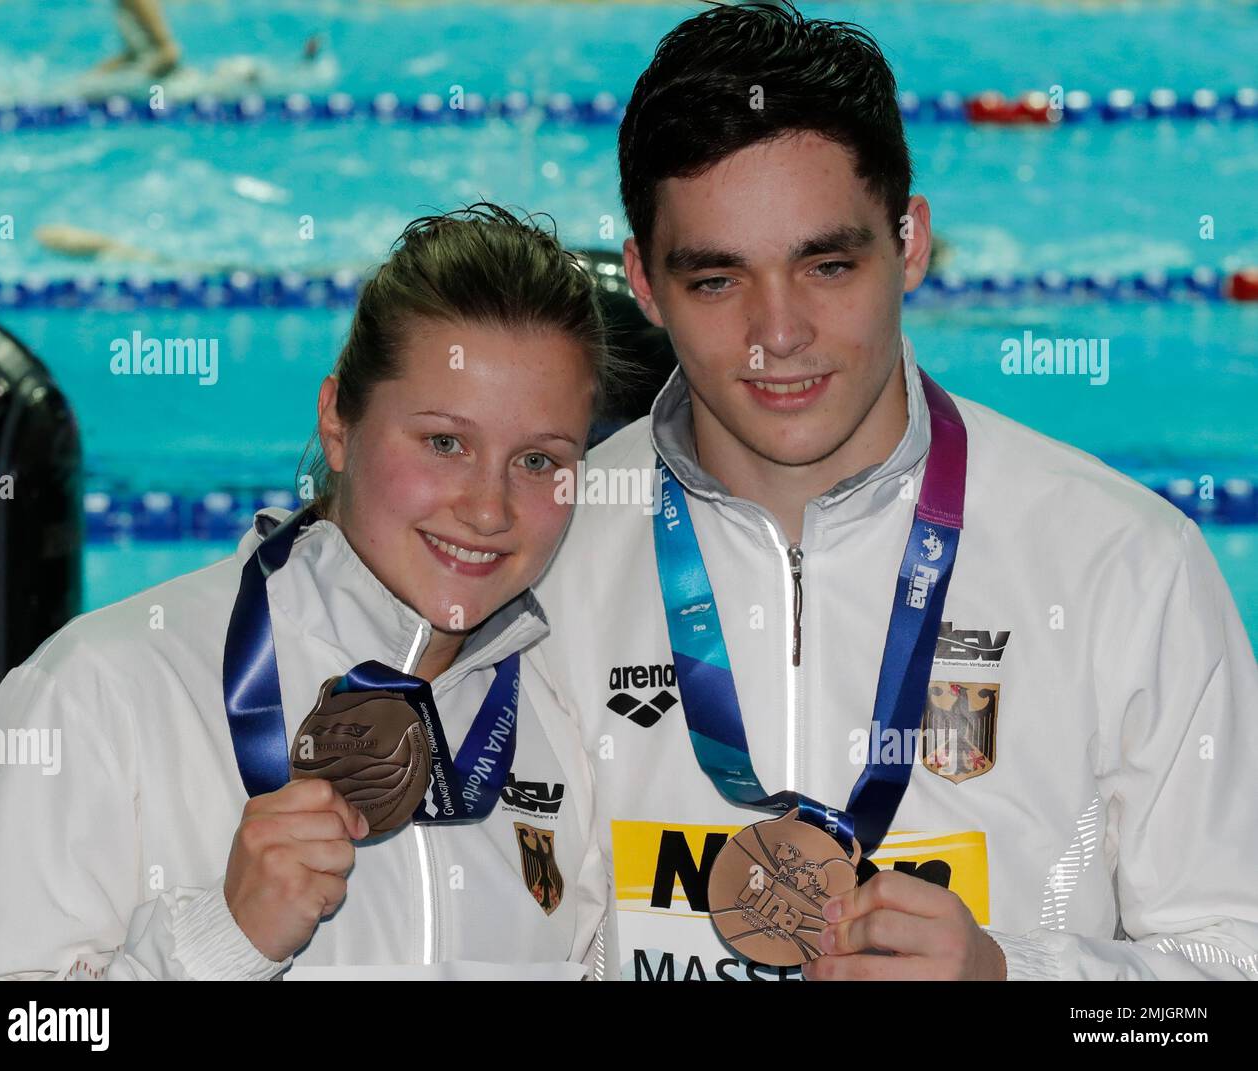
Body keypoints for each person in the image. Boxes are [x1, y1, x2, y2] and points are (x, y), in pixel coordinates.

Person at [525, 3, 1258, 981]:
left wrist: (1013, 981)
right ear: (645, 287)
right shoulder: (543, 550)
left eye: (827, 264)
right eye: (715, 280)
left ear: (908, 243)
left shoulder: (1121, 564)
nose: (776, 334)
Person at [0, 203, 617, 980]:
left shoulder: (567, 716)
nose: (487, 508)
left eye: (538, 460)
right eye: (446, 442)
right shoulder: (102, 693)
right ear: (337, 420)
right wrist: (220, 940)